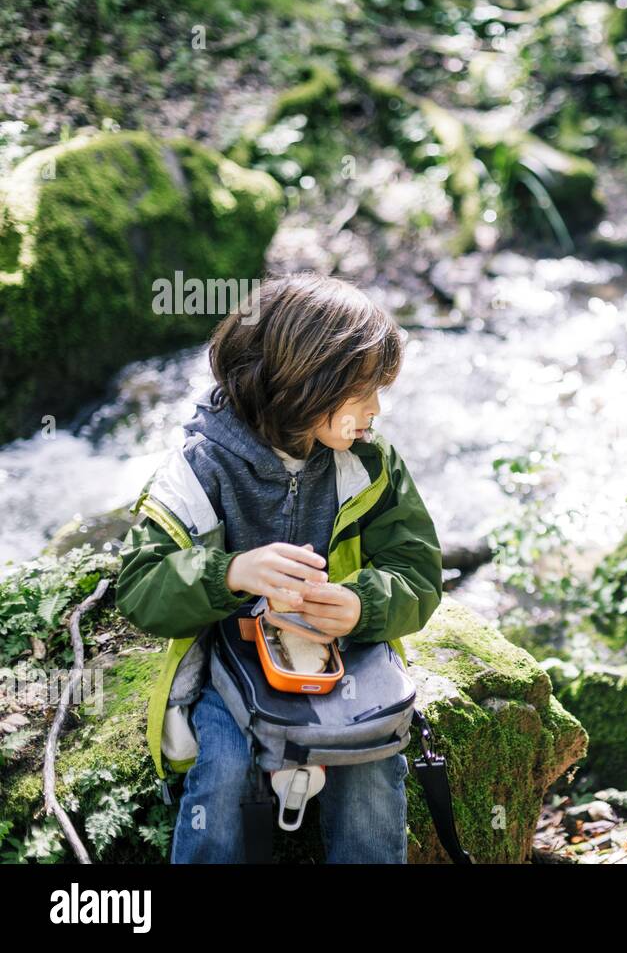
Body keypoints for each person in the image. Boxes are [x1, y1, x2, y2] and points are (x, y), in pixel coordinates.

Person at [115, 272, 443, 863]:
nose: (375, 410)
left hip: (345, 656)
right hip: (232, 660)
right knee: (220, 769)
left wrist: (364, 604)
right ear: (301, 386)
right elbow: (141, 586)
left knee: (371, 770)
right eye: (362, 392)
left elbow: (417, 570)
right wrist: (229, 573)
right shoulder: (199, 466)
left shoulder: (370, 463)